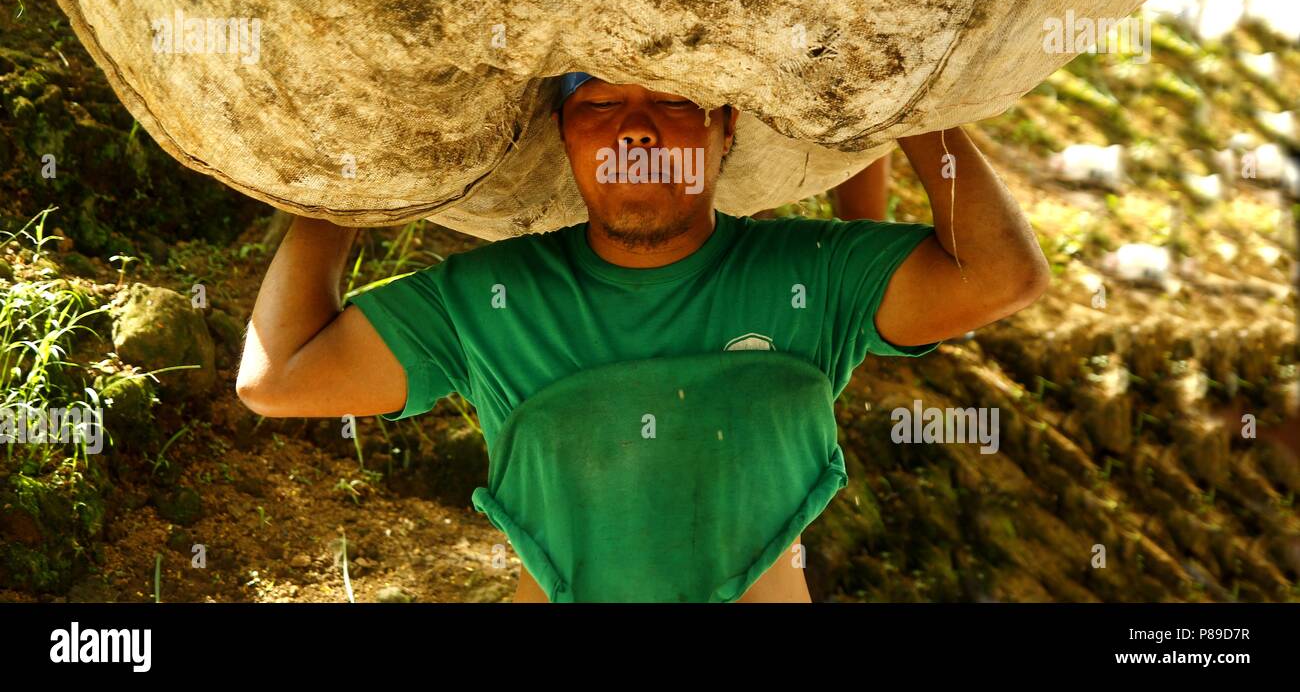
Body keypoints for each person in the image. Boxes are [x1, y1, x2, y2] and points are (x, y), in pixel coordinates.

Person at [236, 72, 1050, 603]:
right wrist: (347, 189)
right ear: (564, 137)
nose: (636, 131)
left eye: (671, 102)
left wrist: (905, 104)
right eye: (598, 108)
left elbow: (1001, 275)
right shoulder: (490, 298)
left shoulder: (814, 274)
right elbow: (279, 378)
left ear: (726, 129)